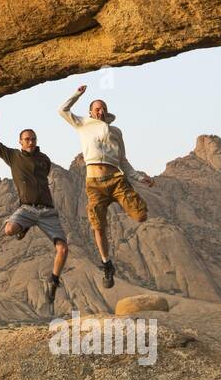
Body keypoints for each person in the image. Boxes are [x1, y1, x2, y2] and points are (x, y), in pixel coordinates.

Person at [58, 84, 154, 288]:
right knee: (98, 226)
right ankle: (106, 264)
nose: (100, 111)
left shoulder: (116, 131)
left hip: (117, 180)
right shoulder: (83, 124)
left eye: (103, 108)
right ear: (91, 112)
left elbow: (124, 160)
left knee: (141, 215)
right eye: (97, 108)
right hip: (94, 184)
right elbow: (62, 110)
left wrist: (139, 177)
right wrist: (77, 94)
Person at [0, 110, 69, 307]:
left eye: (32, 139)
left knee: (63, 249)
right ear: (20, 142)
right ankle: (24, 226)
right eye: (26, 139)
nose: (30, 141)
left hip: (48, 211)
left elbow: (44, 175)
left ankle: (53, 281)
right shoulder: (13, 156)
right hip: (27, 209)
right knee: (9, 230)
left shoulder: (44, 159)